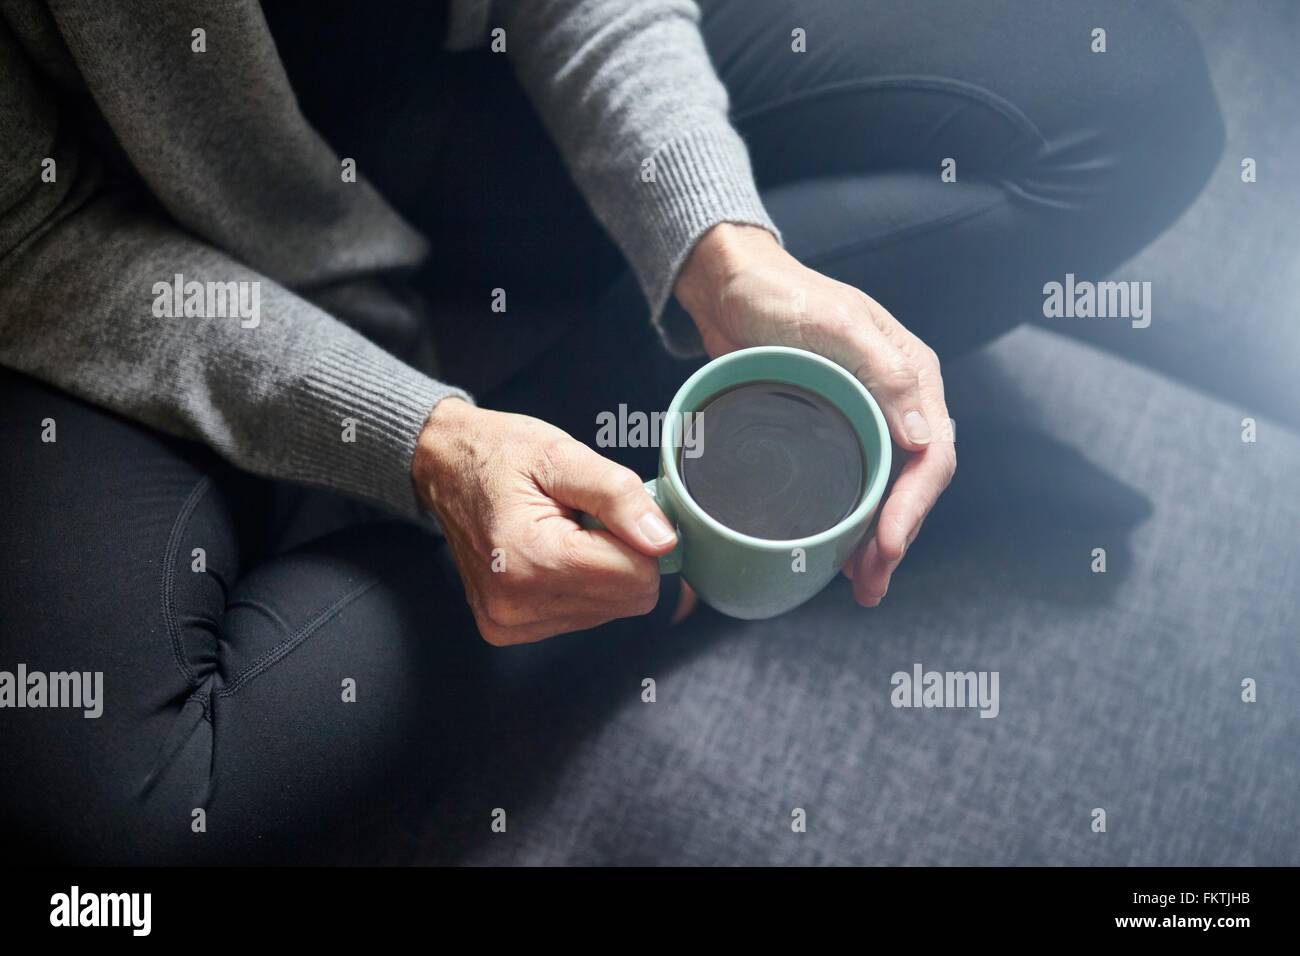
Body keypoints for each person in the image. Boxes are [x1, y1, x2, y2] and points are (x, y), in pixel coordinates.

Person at [0, 0, 1223, 862]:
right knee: (120, 833)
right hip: (109, 226)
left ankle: (694, 500)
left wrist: (722, 251)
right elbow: (31, 239)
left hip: (459, 88)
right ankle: (693, 544)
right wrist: (423, 440)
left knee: (1135, 104)